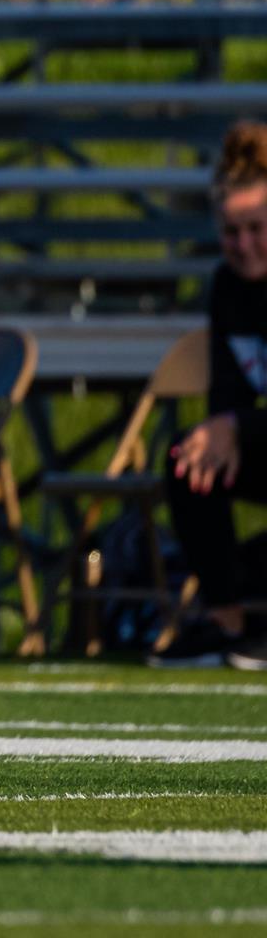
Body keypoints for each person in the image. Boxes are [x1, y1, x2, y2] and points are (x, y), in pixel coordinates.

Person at [152, 121, 267, 670]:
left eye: (257, 228)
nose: (243, 245)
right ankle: (226, 620)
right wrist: (222, 429)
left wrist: (239, 427)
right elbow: (227, 389)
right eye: (231, 232)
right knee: (187, 458)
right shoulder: (228, 287)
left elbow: (240, 418)